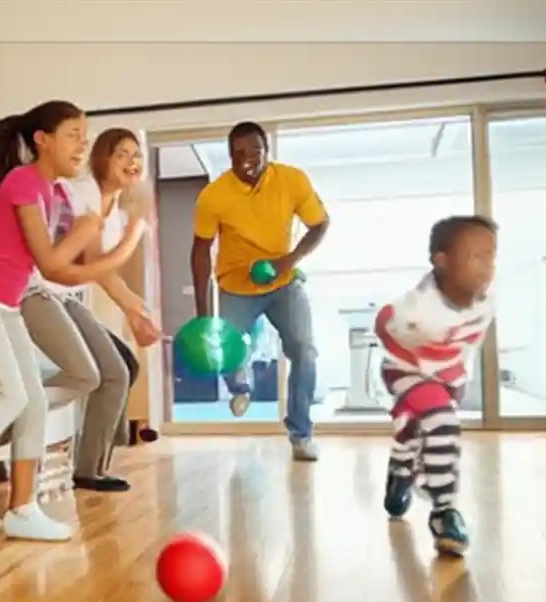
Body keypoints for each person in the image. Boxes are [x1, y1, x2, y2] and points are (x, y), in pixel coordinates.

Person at [0, 100, 147, 556]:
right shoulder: (23, 183)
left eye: (85, 134)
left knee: (33, 401)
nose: (83, 143)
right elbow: (52, 265)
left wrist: (102, 232)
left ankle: (22, 509)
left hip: (5, 305)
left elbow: (71, 269)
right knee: (13, 397)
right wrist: (113, 233)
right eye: (74, 134)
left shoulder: (56, 196)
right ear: (43, 139)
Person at [18, 127, 159, 493]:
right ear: (103, 159)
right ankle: (21, 410)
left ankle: (90, 468)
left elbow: (101, 271)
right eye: (122, 154)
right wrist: (135, 235)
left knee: (121, 367)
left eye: (136, 155)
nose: (133, 161)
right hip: (38, 289)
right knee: (109, 372)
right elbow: (96, 260)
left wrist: (136, 310)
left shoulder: (113, 210)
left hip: (65, 295)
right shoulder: (84, 194)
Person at [190, 121, 330, 461]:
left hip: (282, 283)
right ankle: (241, 387)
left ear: (267, 151)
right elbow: (200, 250)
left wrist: (287, 261)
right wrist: (204, 315)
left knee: (305, 350)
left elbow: (320, 224)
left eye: (255, 150)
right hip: (236, 285)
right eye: (238, 154)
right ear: (229, 157)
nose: (247, 159)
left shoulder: (291, 180)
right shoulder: (214, 196)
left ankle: (301, 434)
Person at [374, 215, 498, 557]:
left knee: (420, 426)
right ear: (441, 261)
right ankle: (444, 510)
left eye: (491, 257)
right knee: (442, 422)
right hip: (406, 370)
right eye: (477, 257)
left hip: (446, 375)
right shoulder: (415, 310)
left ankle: (401, 467)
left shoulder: (484, 304)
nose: (487, 267)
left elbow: (465, 348)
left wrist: (454, 382)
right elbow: (386, 326)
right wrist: (426, 387)